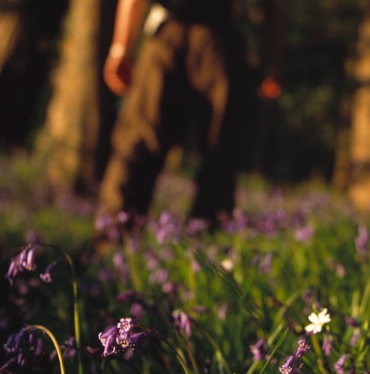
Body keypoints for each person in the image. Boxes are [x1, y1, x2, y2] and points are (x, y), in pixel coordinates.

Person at [97, 0, 284, 235]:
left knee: (221, 149)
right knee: (139, 141)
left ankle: (204, 251)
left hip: (218, 37)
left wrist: (273, 60)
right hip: (172, 35)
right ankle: (114, 241)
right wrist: (120, 46)